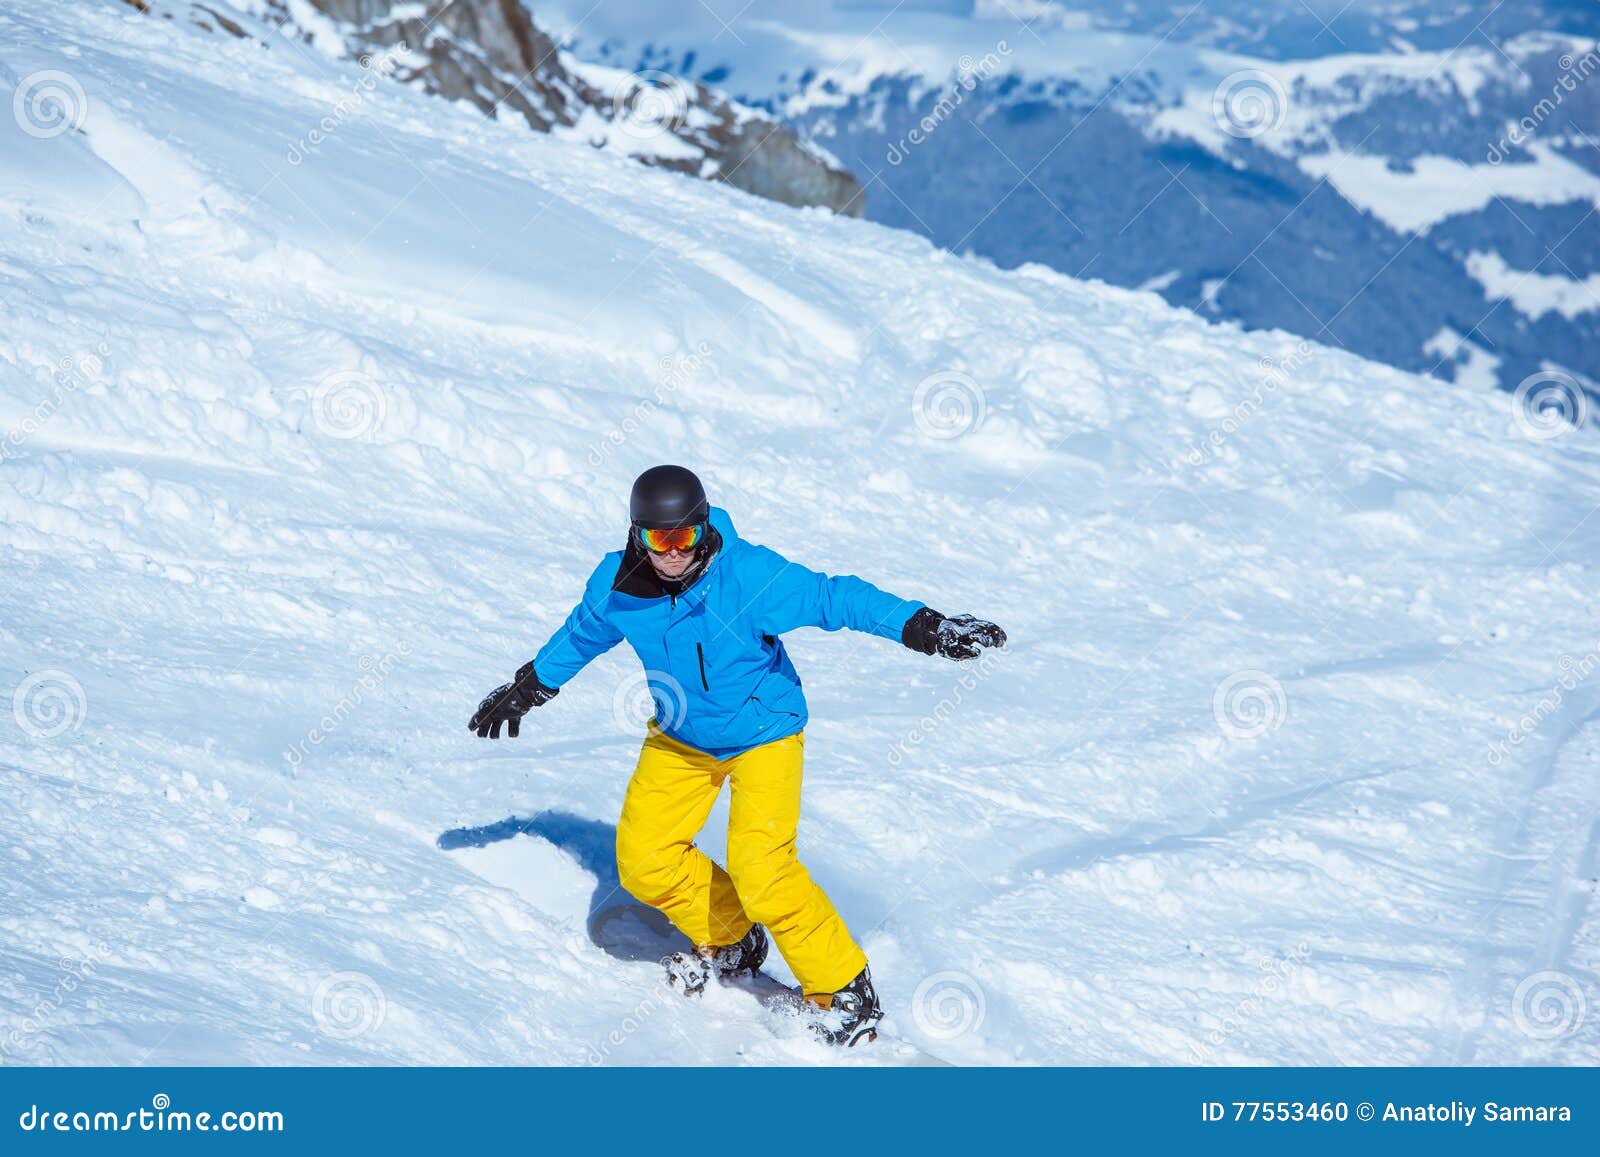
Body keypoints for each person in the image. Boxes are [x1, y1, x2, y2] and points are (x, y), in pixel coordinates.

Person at [468, 465, 1005, 1045]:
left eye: (684, 538)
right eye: (657, 539)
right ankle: (730, 936)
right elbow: (581, 635)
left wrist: (922, 626)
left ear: (703, 529)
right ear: (636, 535)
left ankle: (845, 990)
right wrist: (530, 687)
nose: (672, 554)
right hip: (681, 737)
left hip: (764, 735)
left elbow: (834, 597)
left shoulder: (748, 576)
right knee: (644, 862)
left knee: (763, 871)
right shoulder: (620, 585)